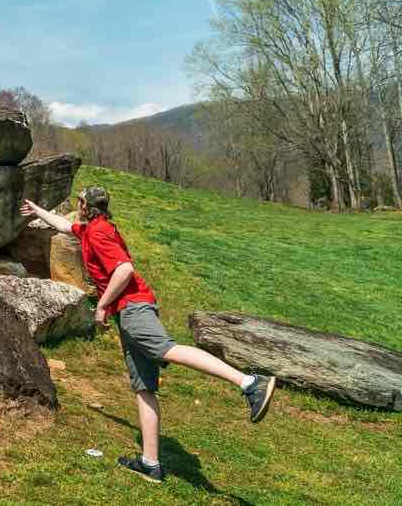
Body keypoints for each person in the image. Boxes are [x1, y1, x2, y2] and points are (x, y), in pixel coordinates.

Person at [21, 186, 276, 484]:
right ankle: (150, 463)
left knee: (165, 349)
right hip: (128, 312)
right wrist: (38, 210)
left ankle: (249, 383)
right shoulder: (90, 229)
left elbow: (125, 270)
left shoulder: (99, 232)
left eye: (80, 201)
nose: (77, 205)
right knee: (143, 387)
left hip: (133, 308)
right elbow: (65, 225)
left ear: (86, 205)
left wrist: (101, 306)